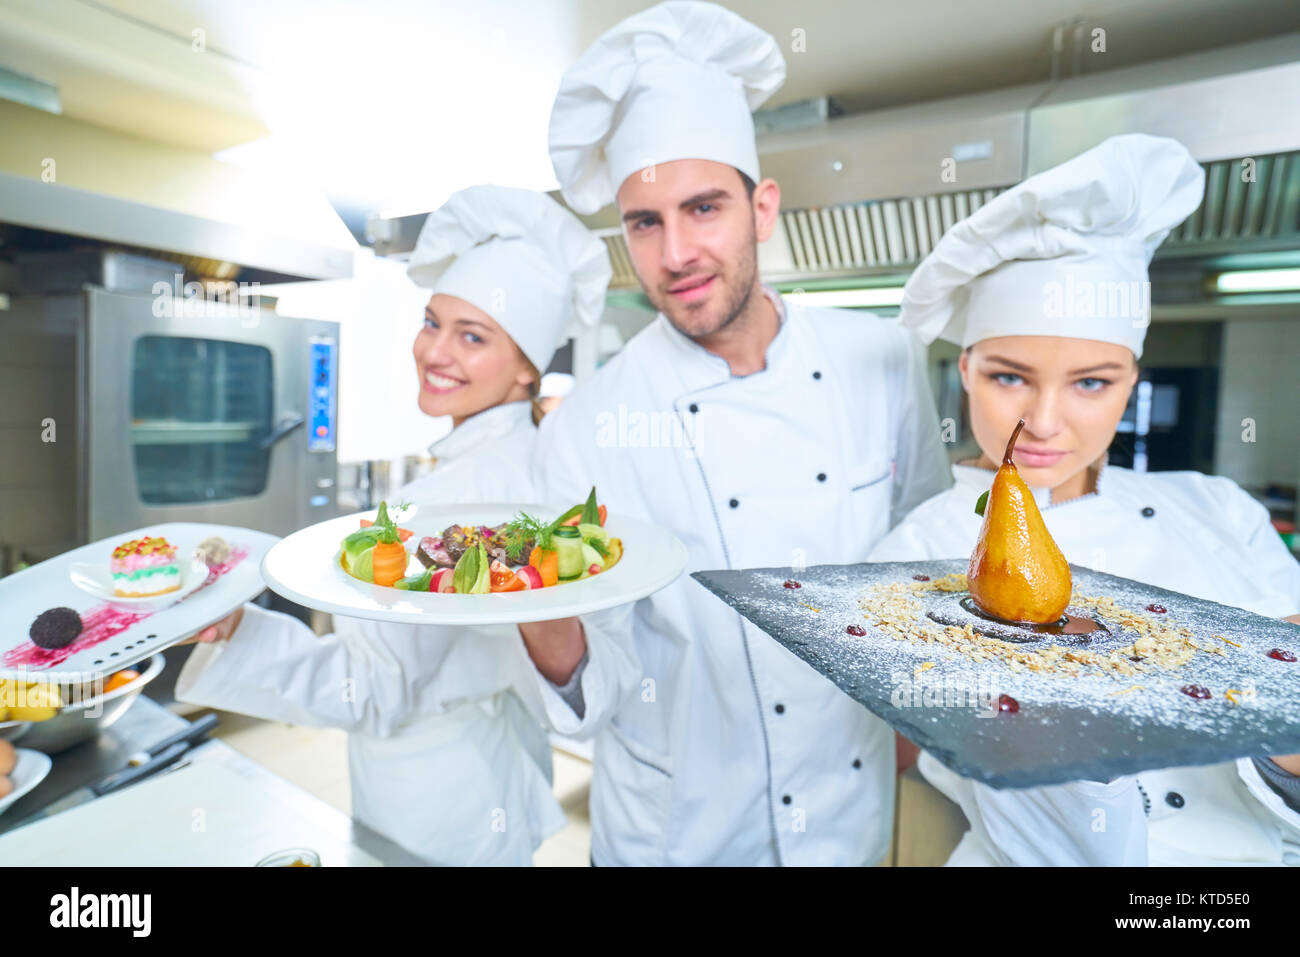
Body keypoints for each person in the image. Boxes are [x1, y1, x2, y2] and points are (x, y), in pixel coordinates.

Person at [514, 1, 950, 865]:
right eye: (644, 221)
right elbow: (585, 686)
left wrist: (912, 720)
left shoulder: (884, 362)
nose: (675, 252)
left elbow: (926, 566)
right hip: (676, 831)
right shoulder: (588, 425)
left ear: (764, 207)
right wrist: (528, 608)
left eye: (704, 207)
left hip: (846, 821)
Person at [867, 133, 1300, 866]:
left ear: (1131, 381)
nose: (1043, 421)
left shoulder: (1218, 509)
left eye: (1092, 382)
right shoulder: (906, 558)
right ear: (966, 369)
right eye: (1009, 376)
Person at [175, 185, 612, 865]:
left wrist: (241, 635)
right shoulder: (518, 459)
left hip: (439, 799)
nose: (435, 351)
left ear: (528, 368)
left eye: (472, 337)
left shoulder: (464, 495)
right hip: (487, 779)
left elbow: (372, 688)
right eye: (432, 321)